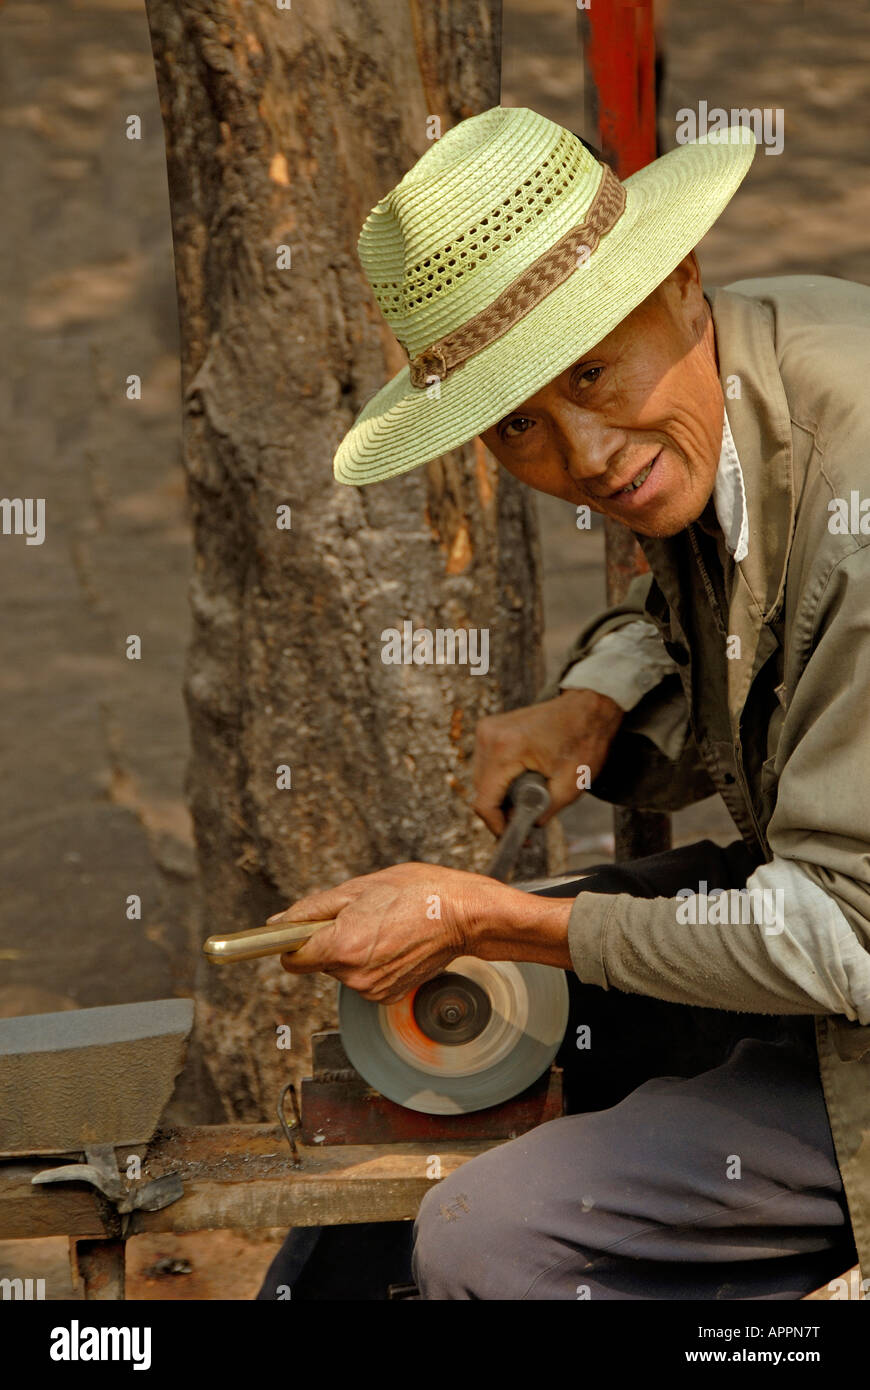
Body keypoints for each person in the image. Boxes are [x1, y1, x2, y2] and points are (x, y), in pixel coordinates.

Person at [262, 106, 870, 1299]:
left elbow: (845, 939)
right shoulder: (745, 363)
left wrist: (488, 917)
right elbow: (735, 611)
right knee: (527, 977)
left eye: (592, 371)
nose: (585, 455)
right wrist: (596, 702)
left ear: (680, 281)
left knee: (494, 1236)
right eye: (521, 423)